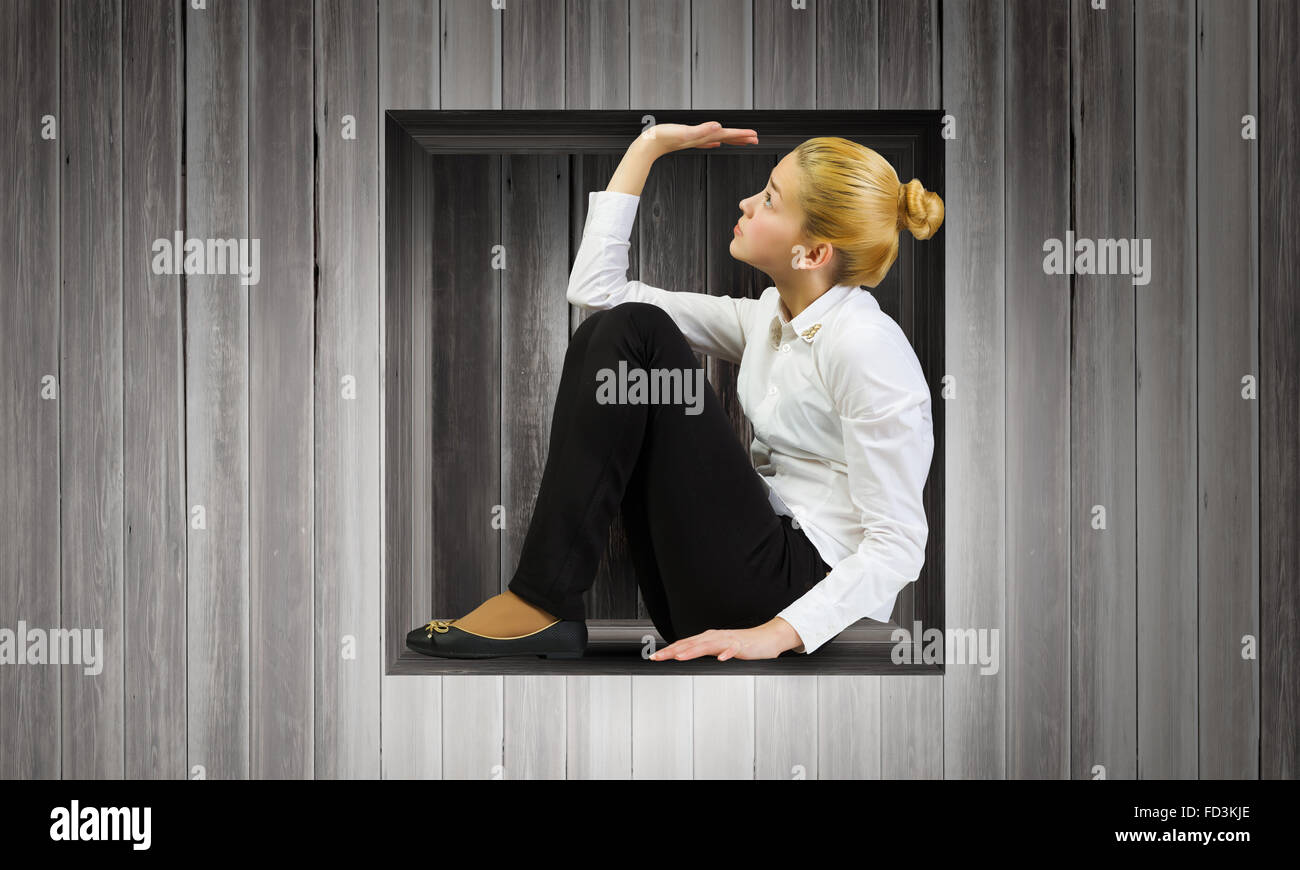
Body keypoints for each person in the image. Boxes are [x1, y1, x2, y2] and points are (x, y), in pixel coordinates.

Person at [407, 121, 942, 661]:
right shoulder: (766, 320)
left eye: (769, 201)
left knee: (641, 331)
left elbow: (897, 546)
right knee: (618, 329)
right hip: (704, 590)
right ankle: (545, 605)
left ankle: (542, 604)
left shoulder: (866, 347)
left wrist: (779, 633)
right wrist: (648, 148)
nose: (747, 203)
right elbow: (600, 296)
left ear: (811, 253)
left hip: (785, 593)